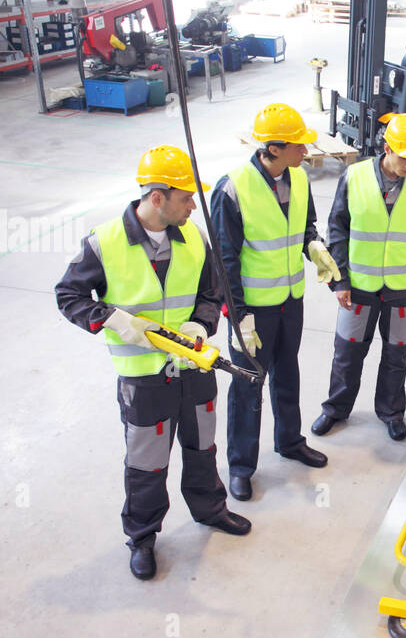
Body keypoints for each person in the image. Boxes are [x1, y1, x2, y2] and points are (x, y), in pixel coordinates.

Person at [55, 144, 251, 581]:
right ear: (157, 197)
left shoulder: (195, 238)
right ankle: (142, 537)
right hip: (143, 381)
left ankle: (210, 509)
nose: (194, 205)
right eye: (186, 198)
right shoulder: (104, 243)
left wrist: (201, 327)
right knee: (147, 464)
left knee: (202, 448)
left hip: (194, 371)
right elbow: (67, 296)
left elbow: (211, 294)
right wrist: (108, 318)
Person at [210, 103, 341, 501]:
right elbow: (224, 260)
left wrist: (314, 247)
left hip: (290, 301)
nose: (307, 152)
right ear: (274, 148)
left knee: (288, 374)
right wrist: (238, 317)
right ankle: (241, 465)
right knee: (247, 386)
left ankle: (289, 441)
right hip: (253, 311)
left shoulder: (298, 178)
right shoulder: (232, 189)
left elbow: (304, 227)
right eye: (298, 146)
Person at [311, 113, 406, 442]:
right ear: (386, 148)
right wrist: (339, 280)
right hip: (359, 286)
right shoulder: (354, 178)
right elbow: (337, 230)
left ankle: (392, 412)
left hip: (401, 287)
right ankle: (335, 409)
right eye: (404, 158)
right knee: (347, 352)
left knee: (397, 354)